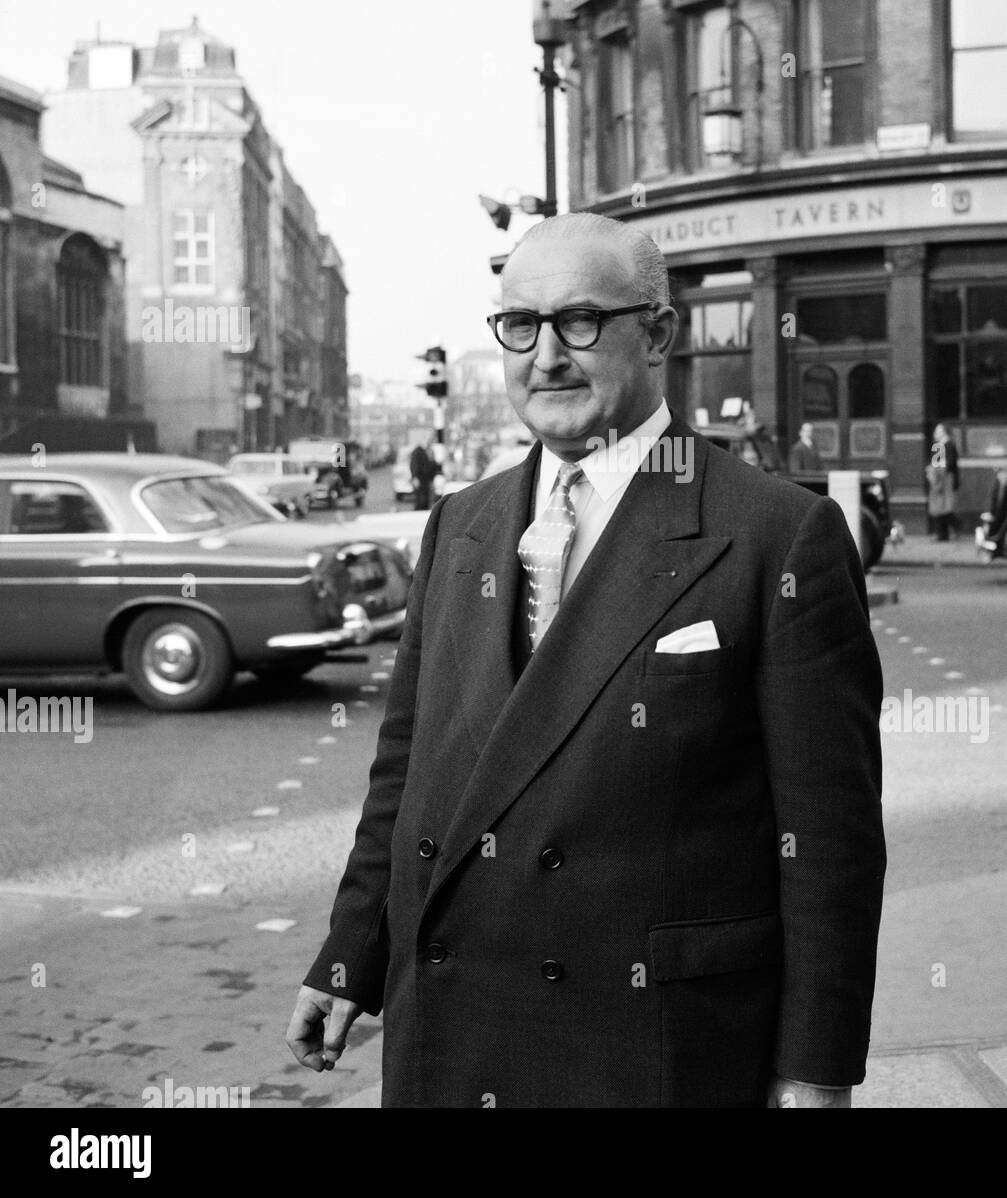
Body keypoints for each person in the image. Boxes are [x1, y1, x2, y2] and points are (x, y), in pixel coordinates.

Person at [286, 212, 886, 1108]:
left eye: (580, 322)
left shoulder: (778, 534)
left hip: (649, 1044)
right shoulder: (461, 521)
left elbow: (829, 842)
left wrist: (814, 1071)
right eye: (520, 326)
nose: (547, 357)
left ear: (658, 334)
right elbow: (410, 771)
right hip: (454, 1022)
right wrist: (350, 955)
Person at [925, 423, 960, 541]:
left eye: (938, 431)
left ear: (944, 432)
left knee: (945, 507)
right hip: (939, 480)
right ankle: (943, 533)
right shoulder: (938, 445)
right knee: (940, 507)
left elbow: (949, 464)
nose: (935, 433)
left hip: (946, 480)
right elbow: (935, 463)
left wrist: (936, 469)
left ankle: (955, 526)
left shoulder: (948, 444)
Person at [408, 443, 437, 511]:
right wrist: (415, 477)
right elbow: (414, 465)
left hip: (426, 480)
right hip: (419, 479)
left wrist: (431, 459)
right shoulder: (417, 451)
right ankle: (417, 515)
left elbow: (431, 467)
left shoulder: (427, 452)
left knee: (425, 500)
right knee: (421, 500)